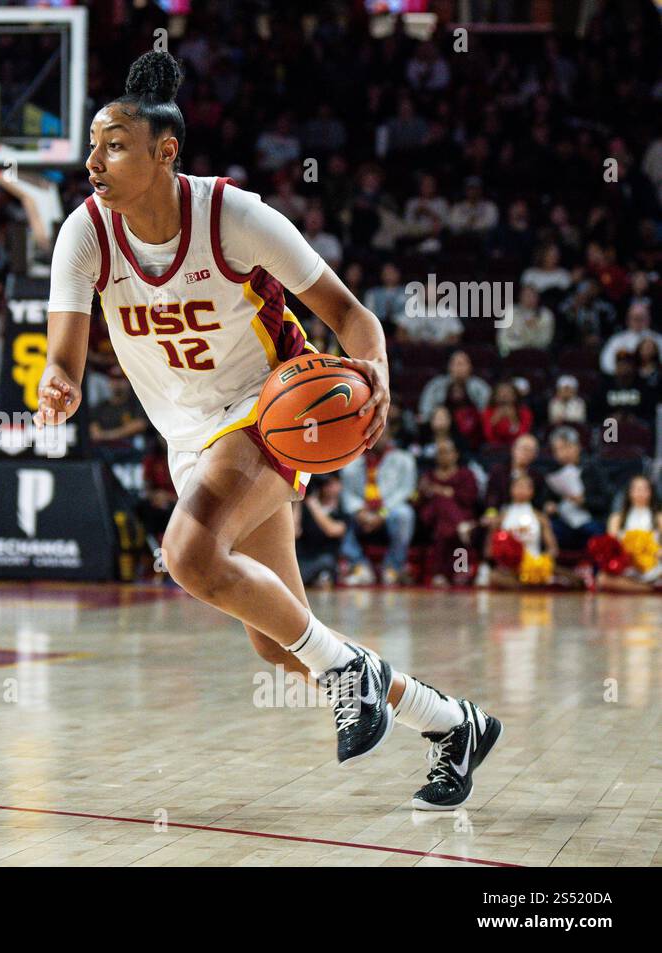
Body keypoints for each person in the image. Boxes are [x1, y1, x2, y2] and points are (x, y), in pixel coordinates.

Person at [39, 51, 500, 811]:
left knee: (186, 554)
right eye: (92, 145)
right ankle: (454, 723)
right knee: (275, 637)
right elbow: (63, 351)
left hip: (273, 408)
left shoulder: (234, 216)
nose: (94, 160)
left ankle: (349, 673)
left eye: (113, 144)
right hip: (186, 433)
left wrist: (375, 372)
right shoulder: (85, 234)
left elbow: (352, 317)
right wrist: (56, 382)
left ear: (164, 153)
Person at [338, 430, 417, 586]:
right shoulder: (351, 461)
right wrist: (359, 511)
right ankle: (359, 565)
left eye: (381, 434)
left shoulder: (404, 459)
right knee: (339, 515)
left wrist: (382, 514)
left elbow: (405, 491)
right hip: (363, 513)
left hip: (390, 512)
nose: (376, 438)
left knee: (405, 514)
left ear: (389, 436)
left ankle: (393, 567)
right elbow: (347, 494)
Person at [416, 438, 481, 587]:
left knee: (446, 530)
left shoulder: (466, 474)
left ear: (455, 454)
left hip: (454, 517)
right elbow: (419, 502)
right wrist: (431, 492)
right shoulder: (429, 476)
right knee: (442, 502)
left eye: (446, 452)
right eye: (440, 453)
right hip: (433, 515)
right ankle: (461, 568)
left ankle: (439, 573)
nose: (443, 456)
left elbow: (470, 498)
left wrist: (448, 493)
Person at [293, 475, 347, 587]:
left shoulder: (343, 510)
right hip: (304, 557)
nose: (327, 488)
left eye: (331, 483)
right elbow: (294, 532)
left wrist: (312, 503)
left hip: (326, 558)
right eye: (324, 484)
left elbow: (332, 530)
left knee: (325, 561)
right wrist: (299, 498)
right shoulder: (305, 507)